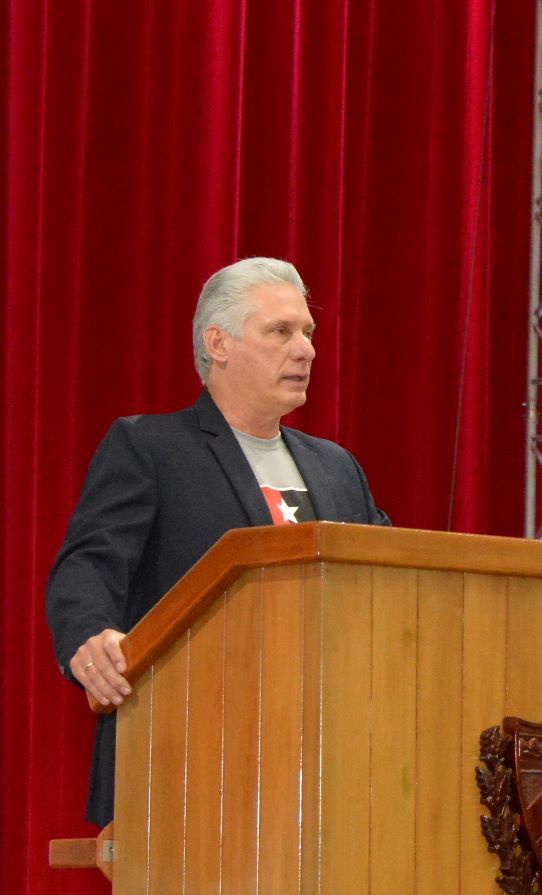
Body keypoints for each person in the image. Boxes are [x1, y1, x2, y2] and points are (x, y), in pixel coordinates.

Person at [46, 257, 390, 825]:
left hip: (328, 759)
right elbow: (89, 563)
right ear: (218, 343)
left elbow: (389, 579)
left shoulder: (337, 468)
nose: (305, 349)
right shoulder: (152, 448)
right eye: (280, 331)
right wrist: (89, 636)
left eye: (307, 332)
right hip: (187, 755)